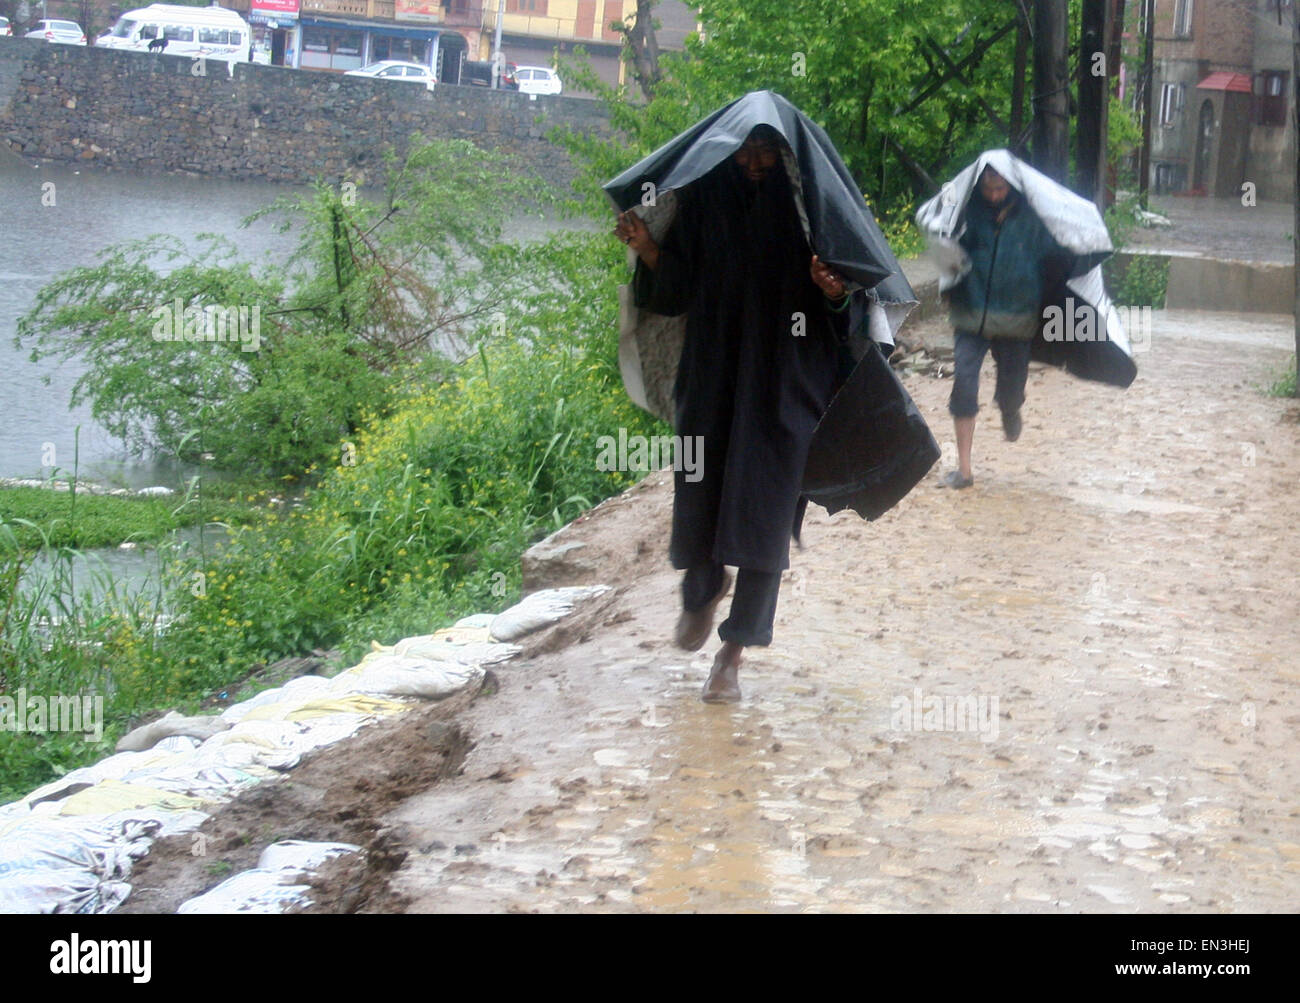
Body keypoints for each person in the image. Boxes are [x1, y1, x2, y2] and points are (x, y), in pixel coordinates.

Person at [612, 127, 858, 703]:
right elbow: (676, 291)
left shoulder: (811, 211)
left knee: (767, 512)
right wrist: (650, 250)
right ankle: (701, 589)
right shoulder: (706, 199)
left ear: (786, 158)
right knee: (699, 486)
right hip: (713, 376)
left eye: (767, 152)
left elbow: (848, 303)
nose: (754, 162)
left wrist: (832, 291)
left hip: (787, 380)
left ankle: (732, 654)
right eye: (745, 152)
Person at [940, 164, 1064, 489]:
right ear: (979, 186)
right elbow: (946, 248)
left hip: (1015, 316)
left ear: (1011, 185)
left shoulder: (1035, 217)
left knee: (1011, 389)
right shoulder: (966, 213)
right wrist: (949, 289)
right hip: (971, 312)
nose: (994, 196)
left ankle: (1011, 408)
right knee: (964, 384)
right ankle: (964, 471)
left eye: (1000, 189)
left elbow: (1054, 260)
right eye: (988, 189)